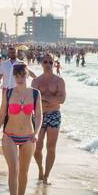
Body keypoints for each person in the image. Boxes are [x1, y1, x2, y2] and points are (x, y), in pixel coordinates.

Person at [0, 62, 42, 195]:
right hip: (9, 136)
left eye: (22, 75)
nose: (19, 78)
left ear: (27, 75)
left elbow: (39, 115)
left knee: (24, 171)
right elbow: (1, 115)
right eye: (17, 75)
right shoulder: (8, 92)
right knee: (14, 169)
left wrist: (37, 132)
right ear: (14, 76)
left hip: (28, 137)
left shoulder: (35, 93)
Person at [32, 55, 67, 184]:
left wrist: (45, 99)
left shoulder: (59, 81)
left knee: (51, 147)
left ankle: (46, 175)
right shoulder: (36, 81)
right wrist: (50, 99)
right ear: (41, 63)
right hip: (39, 115)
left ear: (53, 64)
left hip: (54, 114)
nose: (47, 64)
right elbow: (34, 100)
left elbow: (62, 99)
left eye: (50, 62)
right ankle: (40, 169)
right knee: (37, 147)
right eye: (45, 62)